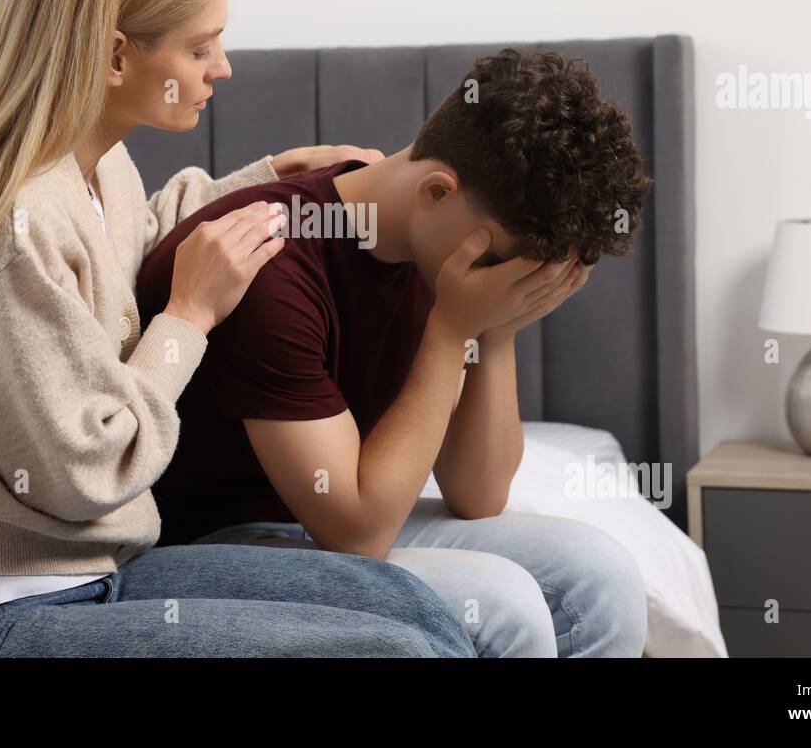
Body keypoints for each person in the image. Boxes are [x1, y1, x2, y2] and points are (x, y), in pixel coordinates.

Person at [0, 0, 476, 658]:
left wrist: (268, 179)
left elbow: (127, 242)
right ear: (116, 54)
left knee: (406, 605)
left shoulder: (96, 164)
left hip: (97, 566)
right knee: (395, 653)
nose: (224, 67)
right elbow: (85, 470)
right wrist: (188, 319)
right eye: (201, 46)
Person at [136, 47, 655, 657]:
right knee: (502, 601)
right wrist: (448, 331)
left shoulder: (436, 248)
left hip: (329, 524)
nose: (498, 281)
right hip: (215, 543)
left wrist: (497, 326)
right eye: (499, 263)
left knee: (603, 576)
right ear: (437, 191)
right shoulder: (271, 262)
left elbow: (478, 494)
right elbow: (356, 534)